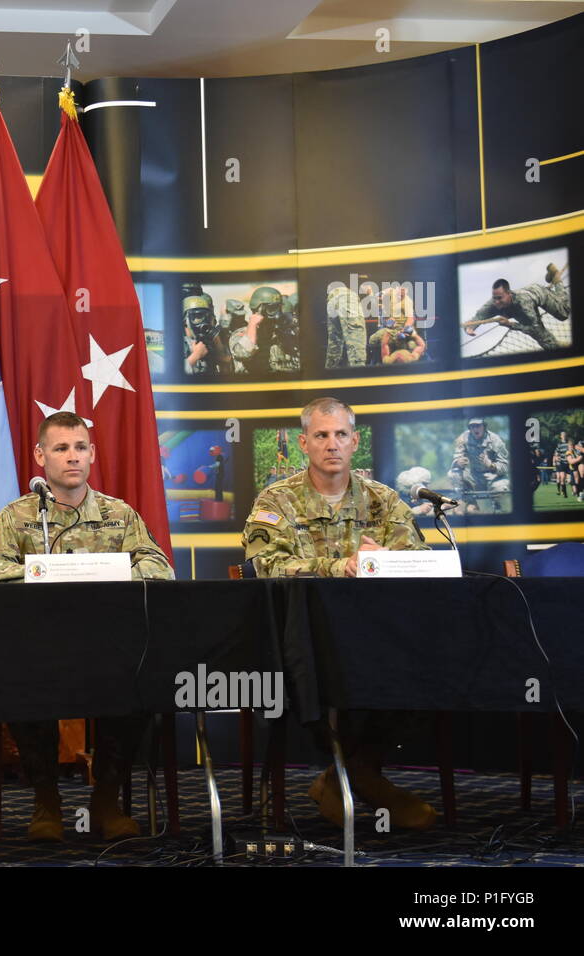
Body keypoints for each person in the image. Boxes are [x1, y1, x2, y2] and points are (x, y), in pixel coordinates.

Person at [0, 411, 174, 842]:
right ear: (40, 456)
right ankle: (46, 800)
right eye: (61, 448)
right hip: (39, 650)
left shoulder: (119, 515)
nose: (72, 457)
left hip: (108, 648)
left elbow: (159, 567)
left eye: (80, 448)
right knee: (22, 689)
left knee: (139, 686)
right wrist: (39, 572)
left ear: (92, 454)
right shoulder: (18, 516)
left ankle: (106, 799)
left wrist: (113, 572)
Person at [242, 398, 436, 829]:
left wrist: (385, 560)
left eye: (341, 435)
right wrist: (339, 566)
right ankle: (360, 777)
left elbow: (419, 560)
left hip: (376, 635)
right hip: (303, 638)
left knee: (427, 663)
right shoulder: (278, 499)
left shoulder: (383, 501)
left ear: (355, 442)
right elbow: (265, 564)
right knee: (329, 674)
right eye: (322, 435)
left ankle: (346, 776)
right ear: (304, 443)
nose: (332, 444)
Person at [463, 268, 570, 351]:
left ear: (509, 294)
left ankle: (555, 276)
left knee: (563, 314)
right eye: (494, 298)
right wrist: (470, 328)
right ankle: (558, 347)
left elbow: (534, 329)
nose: (496, 302)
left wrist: (510, 324)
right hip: (518, 310)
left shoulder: (523, 304)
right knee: (548, 345)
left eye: (500, 298)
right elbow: (478, 317)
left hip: (538, 294)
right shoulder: (492, 304)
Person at [448, 417, 510, 513]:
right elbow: (457, 457)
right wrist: (458, 462)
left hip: (494, 477)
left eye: (478, 426)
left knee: (501, 486)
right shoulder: (463, 438)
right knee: (453, 473)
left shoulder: (496, 440)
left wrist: (491, 465)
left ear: (484, 427)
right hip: (475, 477)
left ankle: (498, 509)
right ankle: (471, 503)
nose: (475, 429)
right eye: (472, 426)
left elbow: (505, 467)